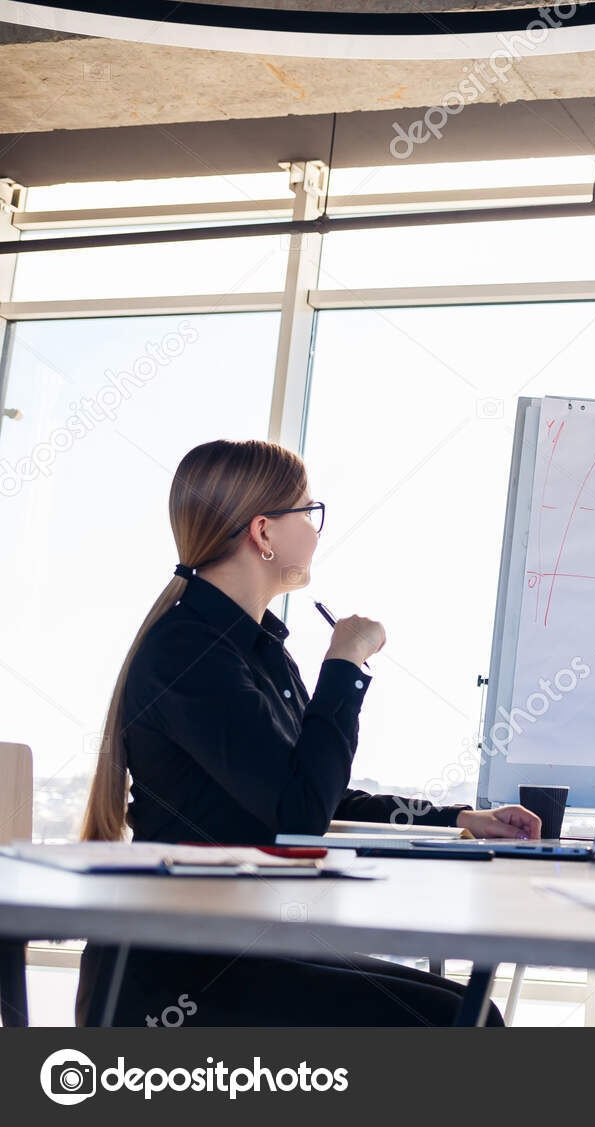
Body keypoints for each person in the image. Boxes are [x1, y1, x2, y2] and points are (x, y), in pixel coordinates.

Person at [76, 439, 541, 1027]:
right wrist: (344, 667)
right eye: (309, 512)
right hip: (179, 977)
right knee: (459, 1023)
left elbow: (313, 793)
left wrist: (455, 819)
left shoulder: (258, 649)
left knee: (470, 1012)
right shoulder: (190, 653)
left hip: (243, 948)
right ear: (264, 532)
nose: (317, 531)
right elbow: (298, 814)